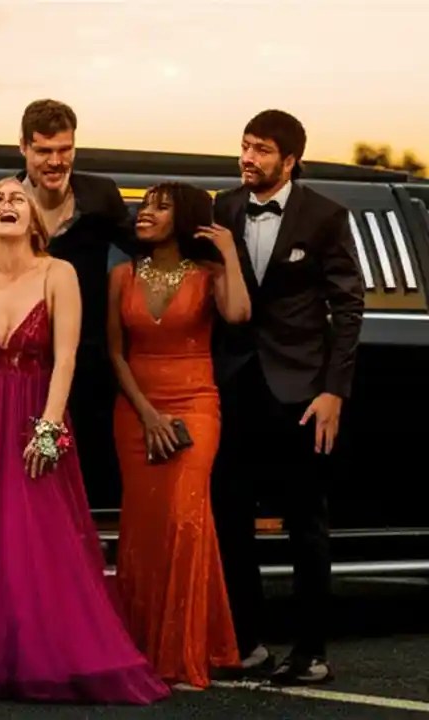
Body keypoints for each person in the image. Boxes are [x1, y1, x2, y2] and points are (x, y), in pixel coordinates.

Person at [0, 177, 169, 705]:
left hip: (35, 411)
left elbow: (67, 357)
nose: (7, 205)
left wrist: (49, 429)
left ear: (36, 219)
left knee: (36, 538)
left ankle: (46, 654)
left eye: (17, 200)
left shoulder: (60, 274)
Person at [211, 109, 364, 686]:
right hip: (233, 385)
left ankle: (311, 653)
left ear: (289, 159)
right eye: (245, 146)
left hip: (302, 391)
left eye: (261, 150)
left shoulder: (325, 214)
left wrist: (333, 392)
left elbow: (348, 308)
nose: (248, 158)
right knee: (230, 518)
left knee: (305, 521)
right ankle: (245, 643)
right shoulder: (221, 208)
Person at [108, 182, 251, 689]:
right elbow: (116, 354)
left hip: (196, 405)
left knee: (186, 517)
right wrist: (146, 414)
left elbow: (237, 315)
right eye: (144, 205)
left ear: (184, 218)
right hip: (135, 410)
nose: (145, 213)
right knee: (142, 526)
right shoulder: (122, 275)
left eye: (160, 207)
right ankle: (140, 647)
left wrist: (229, 251)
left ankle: (186, 650)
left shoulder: (209, 274)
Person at [15, 99, 134, 510]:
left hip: (87, 364)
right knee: (27, 478)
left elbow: (145, 254)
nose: (55, 161)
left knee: (82, 484)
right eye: (44, 150)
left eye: (64, 149)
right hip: (24, 367)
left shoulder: (100, 196)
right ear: (23, 149)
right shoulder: (7, 201)